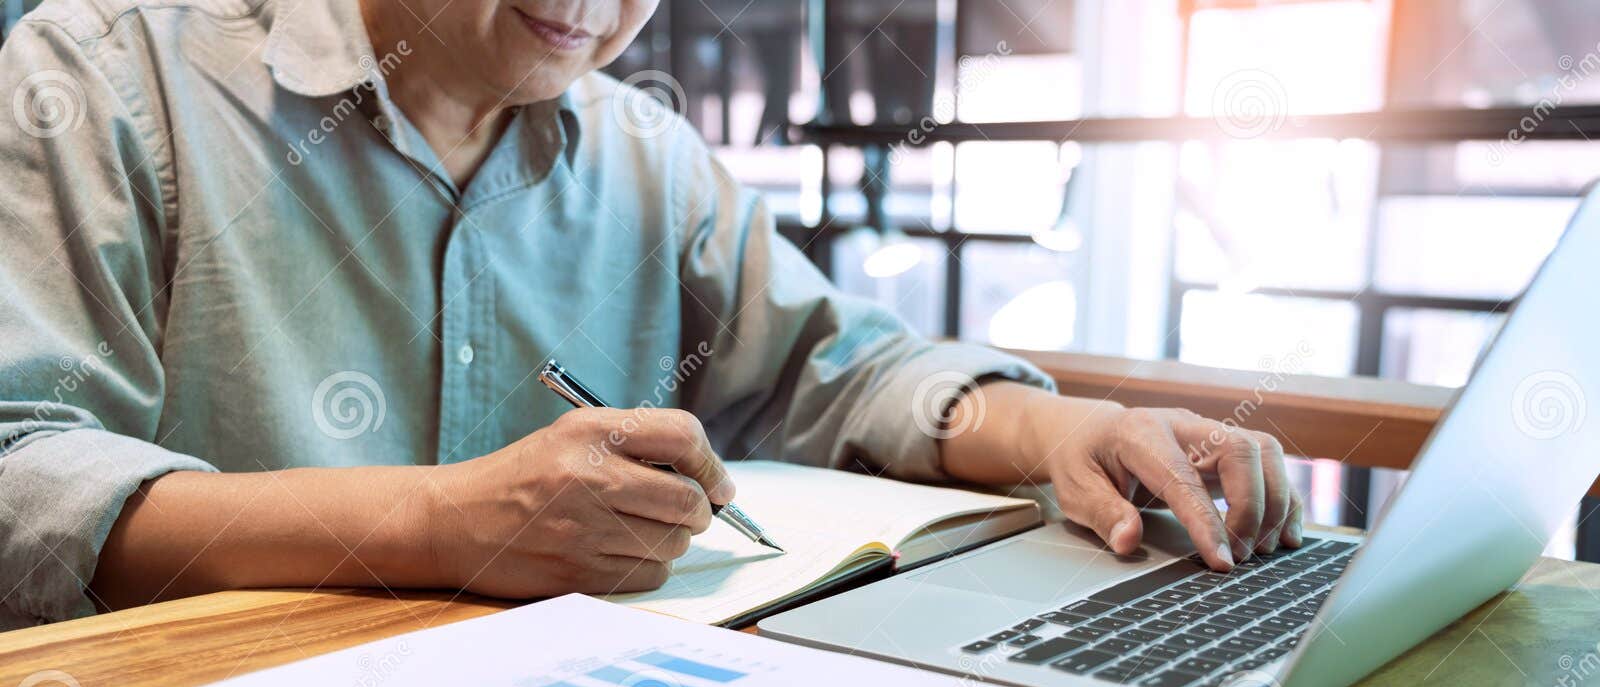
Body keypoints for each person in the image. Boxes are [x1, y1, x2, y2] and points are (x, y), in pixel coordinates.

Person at [0, 0, 1302, 632]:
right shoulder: (106, 80)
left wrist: (1058, 427)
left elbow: (831, 366)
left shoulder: (642, 150)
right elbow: (20, 483)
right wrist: (444, 524)